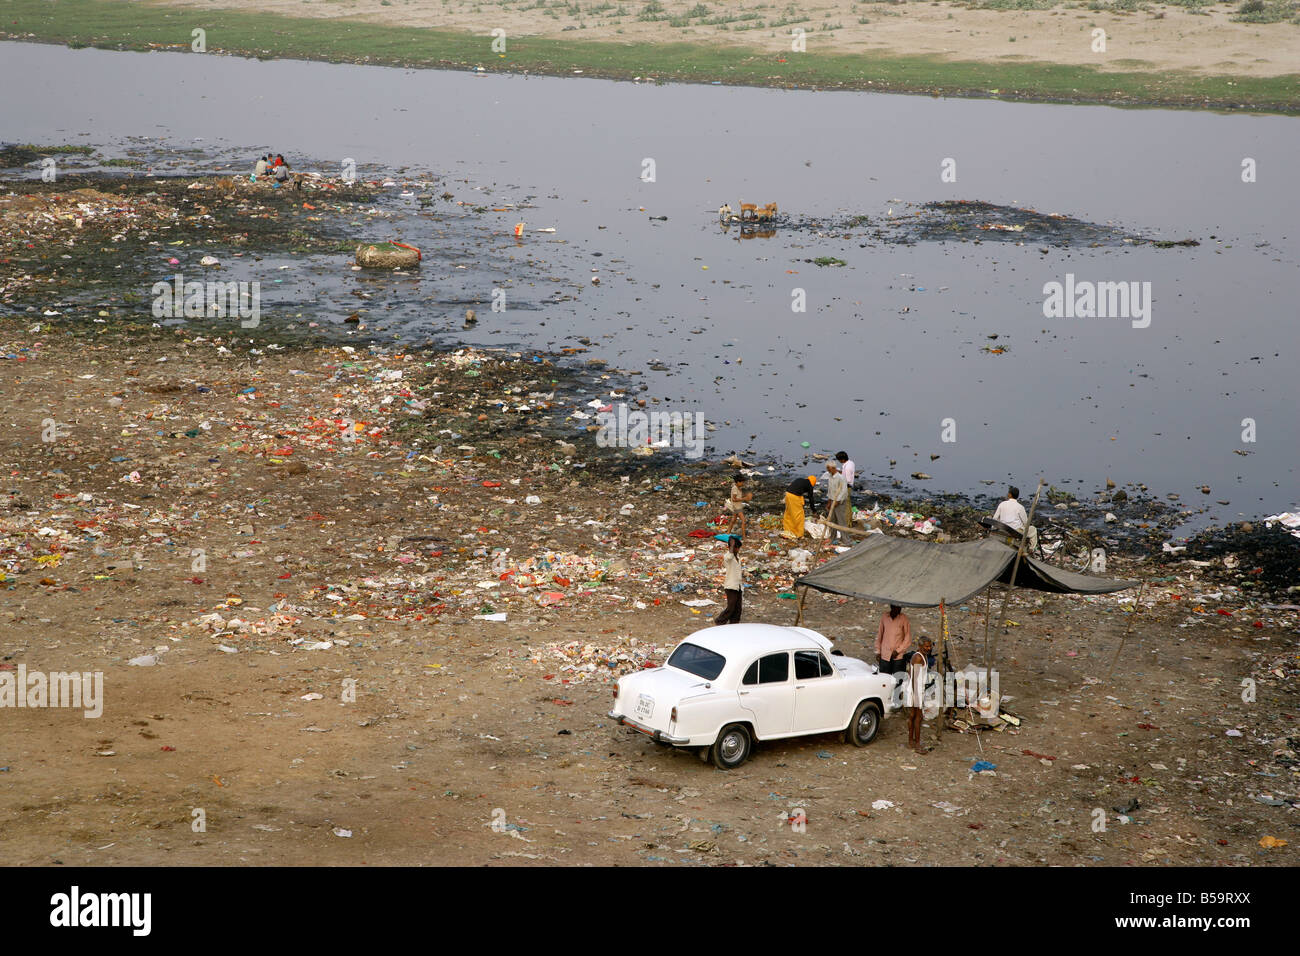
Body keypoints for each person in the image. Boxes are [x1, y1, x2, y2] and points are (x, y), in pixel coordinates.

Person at [903, 637, 934, 752]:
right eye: (926, 646)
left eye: (929, 646)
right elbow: (914, 678)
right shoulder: (917, 657)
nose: (928, 648)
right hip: (915, 690)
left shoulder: (922, 656)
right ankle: (917, 744)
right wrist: (916, 695)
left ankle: (911, 741)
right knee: (918, 717)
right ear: (920, 646)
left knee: (912, 715)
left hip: (916, 689)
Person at [992, 485, 1038, 553]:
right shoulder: (1020, 507)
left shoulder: (1002, 504)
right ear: (1017, 496)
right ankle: (1031, 549)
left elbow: (995, 518)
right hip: (1016, 531)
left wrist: (993, 528)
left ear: (1009, 495)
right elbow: (1026, 523)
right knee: (1033, 529)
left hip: (1003, 528)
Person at [714, 535, 744, 625]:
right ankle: (719, 621)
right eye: (737, 548)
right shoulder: (728, 557)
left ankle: (734, 623)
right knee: (731, 607)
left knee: (738, 607)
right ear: (734, 548)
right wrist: (731, 545)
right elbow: (729, 556)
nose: (738, 550)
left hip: (738, 586)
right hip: (731, 586)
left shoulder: (737, 558)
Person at [875, 604, 911, 674]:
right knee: (885, 679)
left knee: (898, 680)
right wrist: (878, 652)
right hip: (885, 655)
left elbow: (907, 638)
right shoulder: (885, 617)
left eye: (900, 607)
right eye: (897, 607)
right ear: (892, 607)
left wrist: (897, 651)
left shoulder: (903, 618)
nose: (899, 609)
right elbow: (880, 635)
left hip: (898, 656)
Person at [824, 460, 850, 542]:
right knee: (832, 520)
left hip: (840, 502)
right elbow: (830, 490)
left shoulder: (841, 478)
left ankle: (846, 539)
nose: (828, 470)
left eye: (829, 468)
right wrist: (829, 502)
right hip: (832, 500)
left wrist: (837, 501)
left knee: (841, 520)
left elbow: (843, 491)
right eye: (827, 468)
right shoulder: (830, 477)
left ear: (834, 468)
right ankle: (832, 537)